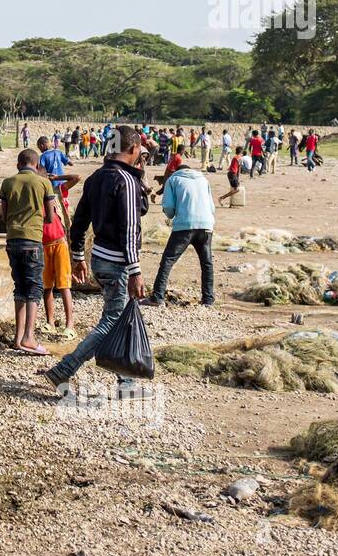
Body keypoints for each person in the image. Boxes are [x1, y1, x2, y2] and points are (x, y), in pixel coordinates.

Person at [43, 125, 148, 395]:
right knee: (112, 320)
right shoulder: (124, 181)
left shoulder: (96, 178)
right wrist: (135, 270)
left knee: (115, 317)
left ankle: (126, 381)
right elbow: (129, 228)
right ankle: (65, 368)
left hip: (100, 259)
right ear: (134, 149)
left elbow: (78, 224)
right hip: (119, 262)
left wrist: (79, 256)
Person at [0, 148, 58, 355]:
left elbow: (5, 215)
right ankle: (29, 337)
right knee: (34, 288)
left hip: (12, 240)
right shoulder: (44, 183)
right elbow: (50, 217)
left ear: (18, 164)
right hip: (32, 240)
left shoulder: (7, 183)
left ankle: (18, 337)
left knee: (20, 288)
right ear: (36, 164)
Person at [144, 158, 216, 305]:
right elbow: (212, 207)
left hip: (184, 226)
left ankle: (157, 297)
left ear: (177, 171)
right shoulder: (203, 180)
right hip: (206, 225)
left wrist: (171, 215)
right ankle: (208, 299)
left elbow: (169, 207)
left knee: (168, 260)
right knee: (206, 263)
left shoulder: (174, 179)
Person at [39, 192, 75, 340]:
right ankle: (50, 322)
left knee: (64, 285)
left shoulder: (52, 198)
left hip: (59, 243)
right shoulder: (33, 202)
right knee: (47, 286)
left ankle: (70, 325)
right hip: (43, 245)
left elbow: (76, 178)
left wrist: (54, 179)